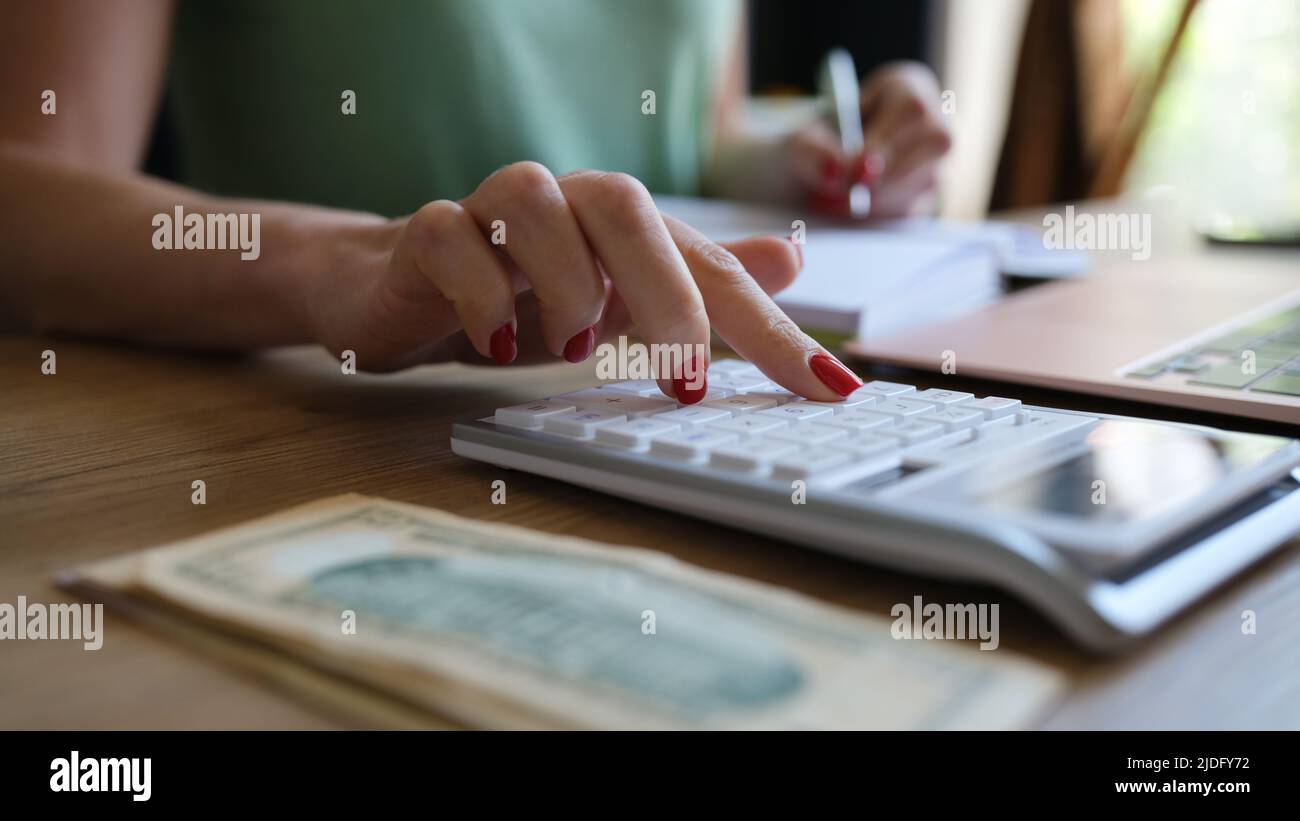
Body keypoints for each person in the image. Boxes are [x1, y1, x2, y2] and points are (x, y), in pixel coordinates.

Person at [0, 0, 952, 403]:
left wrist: (813, 159)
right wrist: (341, 262)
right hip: (346, 431)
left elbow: (687, 123)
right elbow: (25, 197)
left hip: (655, 401)